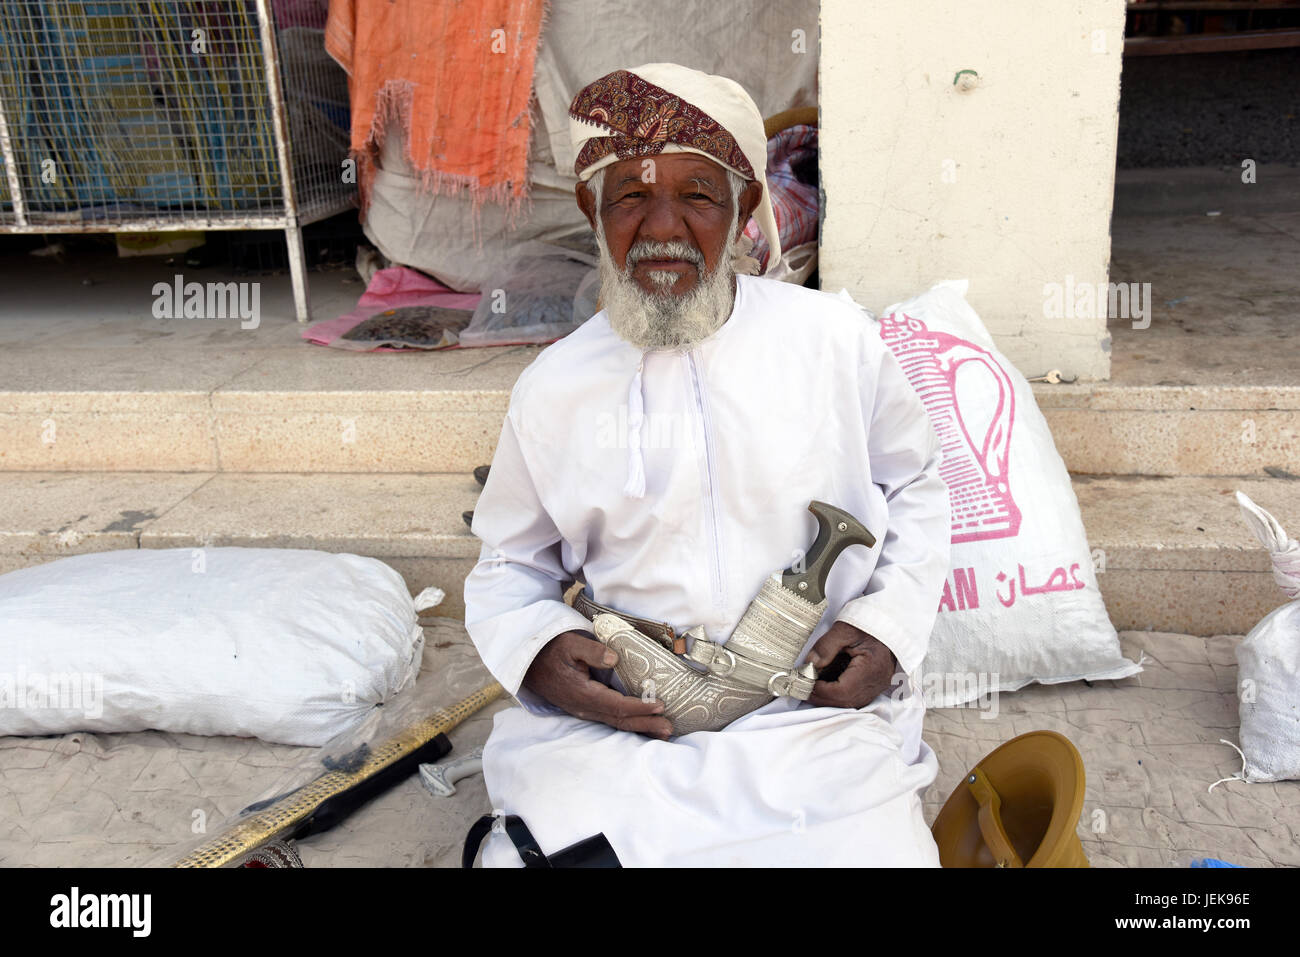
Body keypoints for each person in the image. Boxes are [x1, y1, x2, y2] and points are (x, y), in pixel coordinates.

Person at [463, 63, 952, 866]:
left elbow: (918, 485)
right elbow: (510, 561)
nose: (662, 227)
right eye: (630, 195)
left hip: (809, 715)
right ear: (592, 208)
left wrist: (885, 627)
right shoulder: (552, 388)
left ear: (744, 208)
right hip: (625, 724)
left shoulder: (833, 341)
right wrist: (540, 648)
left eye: (697, 194)